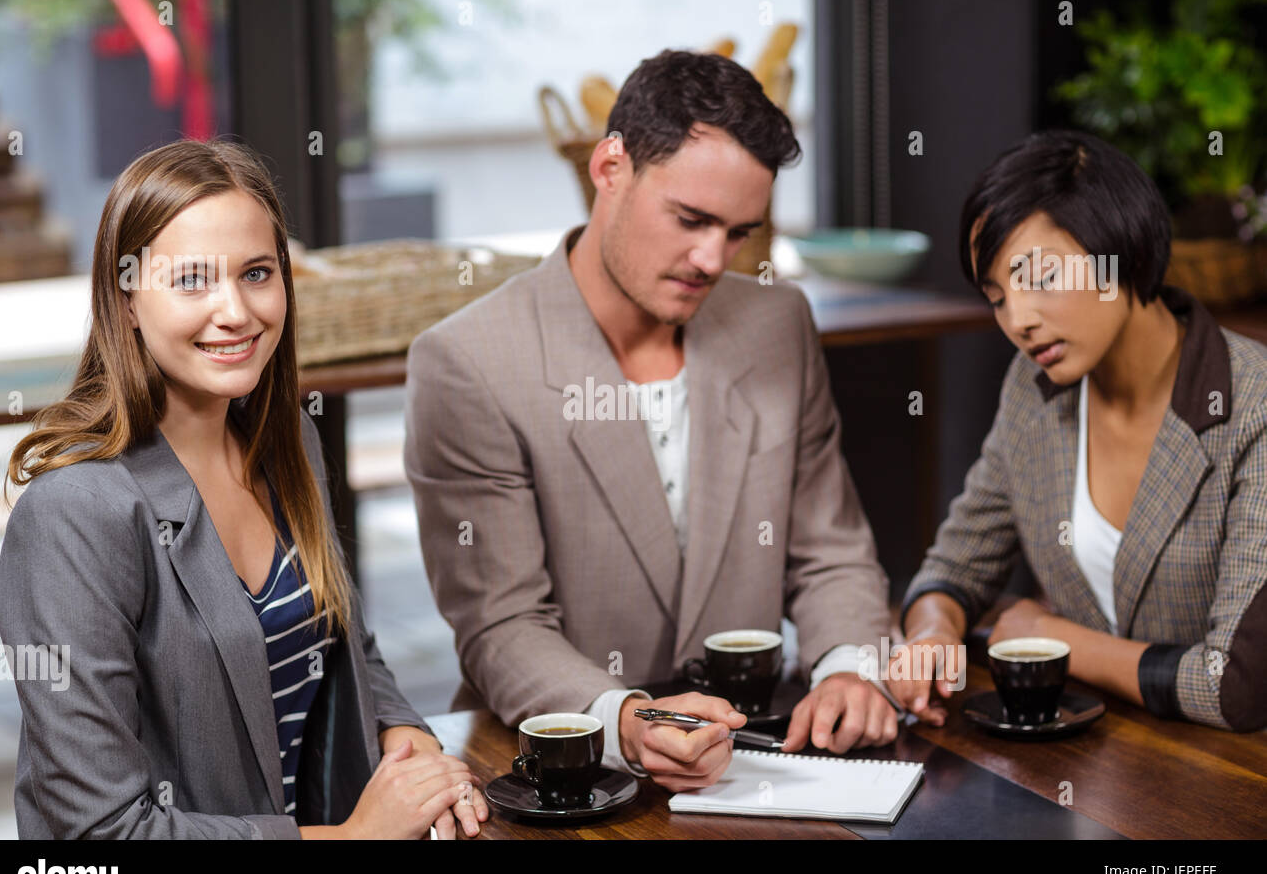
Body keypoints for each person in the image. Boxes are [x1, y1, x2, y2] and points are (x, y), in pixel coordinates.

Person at [405, 49, 929, 794]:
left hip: (759, 752)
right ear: (609, 168)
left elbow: (830, 551)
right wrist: (629, 721)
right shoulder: (469, 361)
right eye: (691, 219)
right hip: (564, 771)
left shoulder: (778, 323)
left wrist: (850, 668)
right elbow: (503, 626)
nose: (713, 258)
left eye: (741, 232)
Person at [0, 138, 489, 838]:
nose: (235, 311)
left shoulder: (287, 439)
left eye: (257, 273)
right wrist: (352, 839)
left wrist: (408, 741)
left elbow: (342, 638)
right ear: (127, 298)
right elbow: (101, 835)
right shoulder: (73, 514)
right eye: (192, 280)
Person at [895, 129, 1266, 732]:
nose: (1019, 320)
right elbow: (956, 565)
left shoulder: (1253, 404)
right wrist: (934, 631)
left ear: (1120, 250)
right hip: (1094, 764)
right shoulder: (1032, 387)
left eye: (1040, 278)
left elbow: (1238, 685)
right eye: (997, 297)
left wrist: (1052, 635)